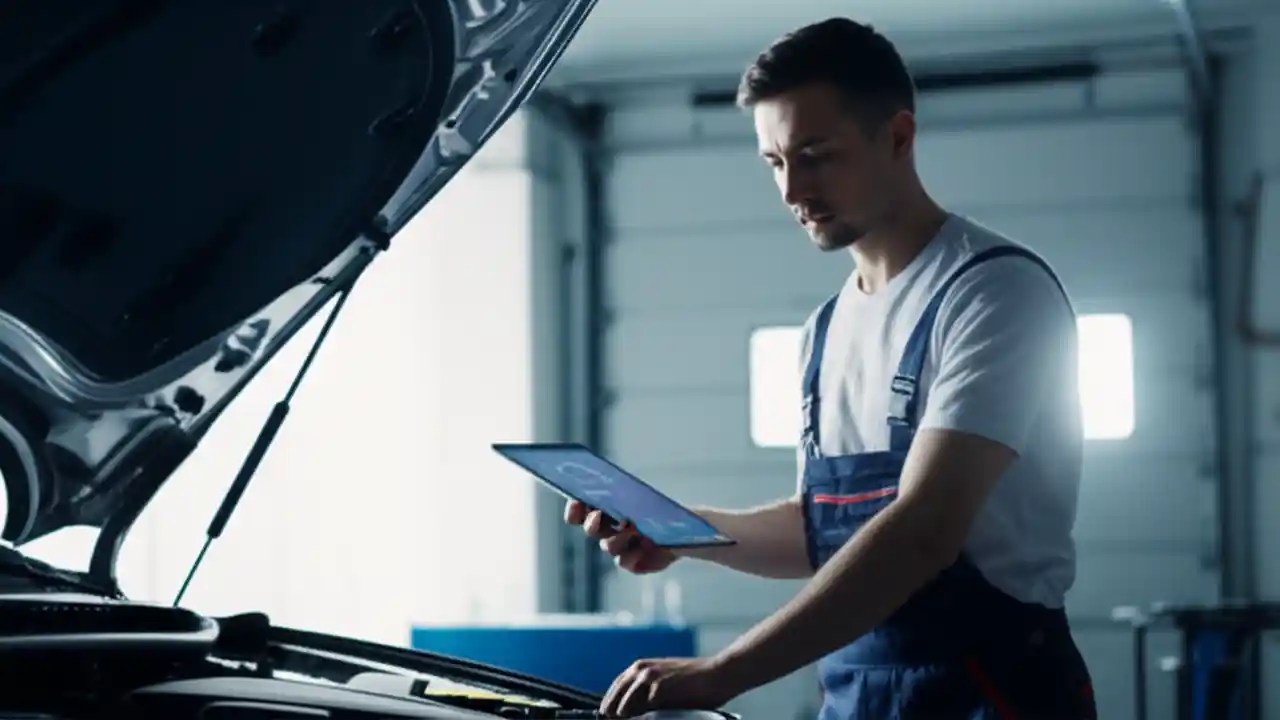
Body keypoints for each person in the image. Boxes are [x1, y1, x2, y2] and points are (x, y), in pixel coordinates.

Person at [565, 16, 1097, 720]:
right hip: (858, 698)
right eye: (775, 162)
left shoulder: (993, 292)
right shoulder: (824, 330)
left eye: (816, 154)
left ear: (899, 137)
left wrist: (721, 673)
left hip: (993, 694)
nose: (792, 189)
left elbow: (922, 533)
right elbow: (823, 532)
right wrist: (681, 529)